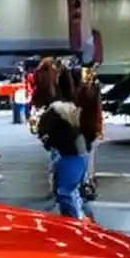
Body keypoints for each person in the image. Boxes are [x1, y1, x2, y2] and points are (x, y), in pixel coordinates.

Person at [36, 77, 88, 219]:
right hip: (74, 155)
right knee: (68, 191)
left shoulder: (55, 115)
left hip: (71, 157)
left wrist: (46, 140)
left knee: (65, 192)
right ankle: (75, 218)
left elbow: (45, 133)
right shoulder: (67, 116)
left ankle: (73, 221)